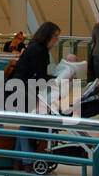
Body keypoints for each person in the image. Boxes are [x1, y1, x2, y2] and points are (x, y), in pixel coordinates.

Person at [7, 21, 61, 166]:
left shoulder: (35, 48)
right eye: (55, 36)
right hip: (22, 88)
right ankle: (27, 161)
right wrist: (56, 80)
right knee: (27, 123)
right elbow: (41, 76)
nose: (57, 40)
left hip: (18, 86)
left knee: (25, 122)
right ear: (48, 36)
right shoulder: (40, 51)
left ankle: (18, 160)